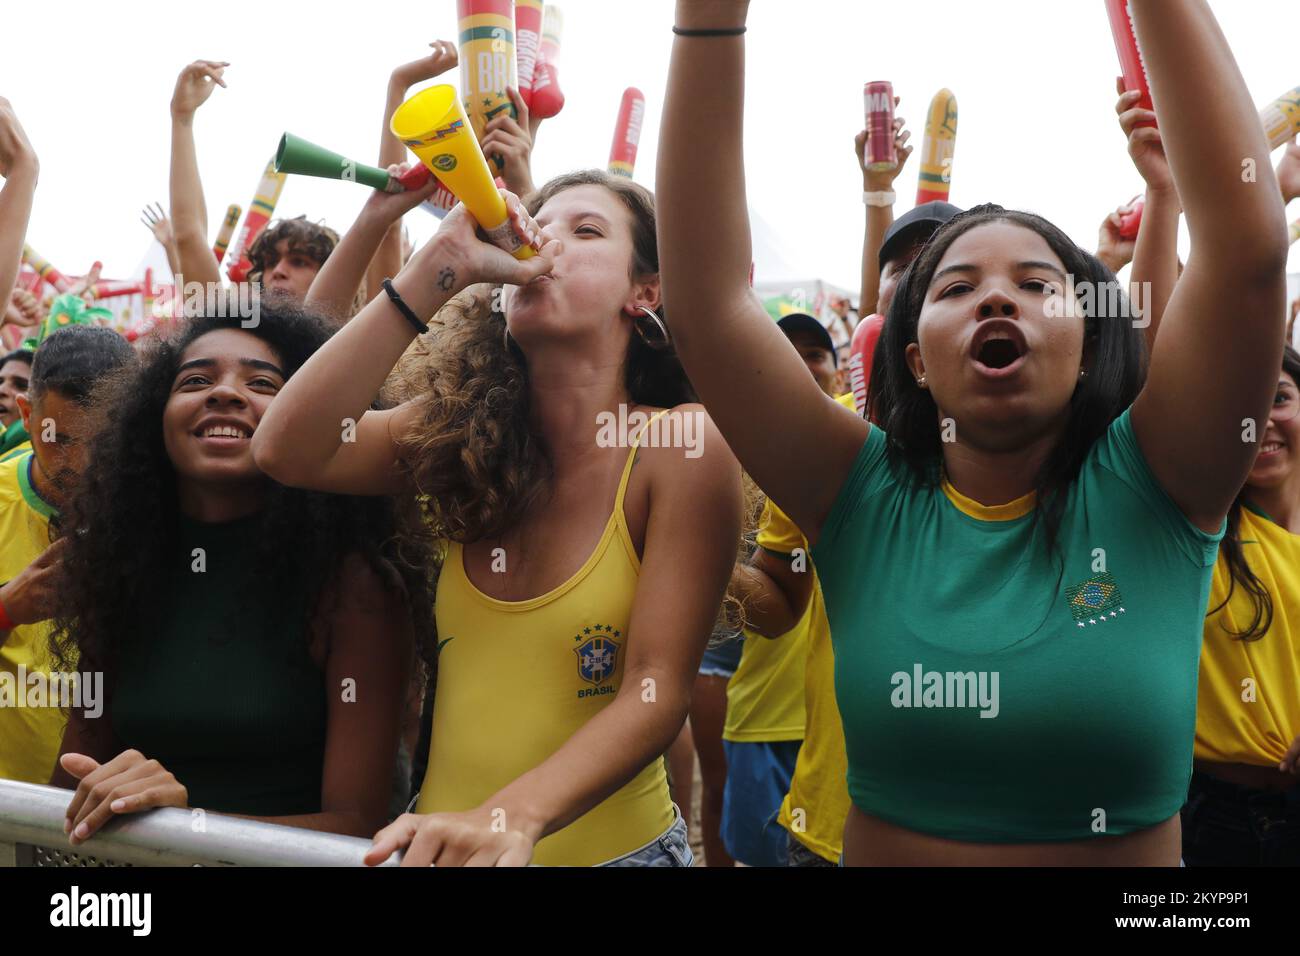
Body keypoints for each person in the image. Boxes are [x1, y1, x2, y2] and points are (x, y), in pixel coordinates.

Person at [657, 0, 1289, 865]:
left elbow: (1246, 249)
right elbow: (706, 303)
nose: (998, 298)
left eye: (1037, 283)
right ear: (916, 362)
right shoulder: (858, 494)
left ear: (1089, 338)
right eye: (956, 288)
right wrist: (710, 21)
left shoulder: (1163, 483)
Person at [253, 169, 743, 867]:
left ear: (646, 292)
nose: (547, 242)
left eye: (587, 230)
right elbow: (284, 449)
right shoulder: (455, 434)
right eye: (538, 226)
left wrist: (511, 817)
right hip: (438, 849)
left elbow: (655, 690)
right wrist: (434, 270)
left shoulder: (680, 446)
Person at [49, 306, 431, 844]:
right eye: (196, 380)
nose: (225, 394)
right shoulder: (115, 569)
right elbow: (70, 782)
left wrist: (187, 828)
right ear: (151, 420)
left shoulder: (354, 586)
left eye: (262, 383)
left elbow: (357, 826)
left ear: (306, 419)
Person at [0, 327, 136, 784]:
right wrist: (7, 610)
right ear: (26, 413)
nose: (77, 464)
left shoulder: (161, 507)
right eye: (58, 438)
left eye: (100, 443)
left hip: (99, 823)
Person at [1187, 346, 1300, 865]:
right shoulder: (1188, 527)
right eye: (1237, 404)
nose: (1257, 423)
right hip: (1218, 820)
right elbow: (1094, 606)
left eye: (1278, 398)